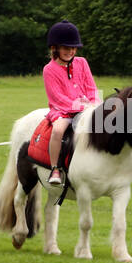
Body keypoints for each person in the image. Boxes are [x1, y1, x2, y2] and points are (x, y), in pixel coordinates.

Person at [42, 20, 98, 186]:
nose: (71, 51)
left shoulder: (82, 62)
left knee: (109, 125)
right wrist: (83, 107)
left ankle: (117, 166)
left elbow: (91, 88)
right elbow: (58, 98)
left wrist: (95, 104)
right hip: (62, 111)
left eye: (73, 48)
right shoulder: (49, 69)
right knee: (58, 131)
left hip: (87, 108)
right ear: (55, 48)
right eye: (67, 48)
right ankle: (55, 168)